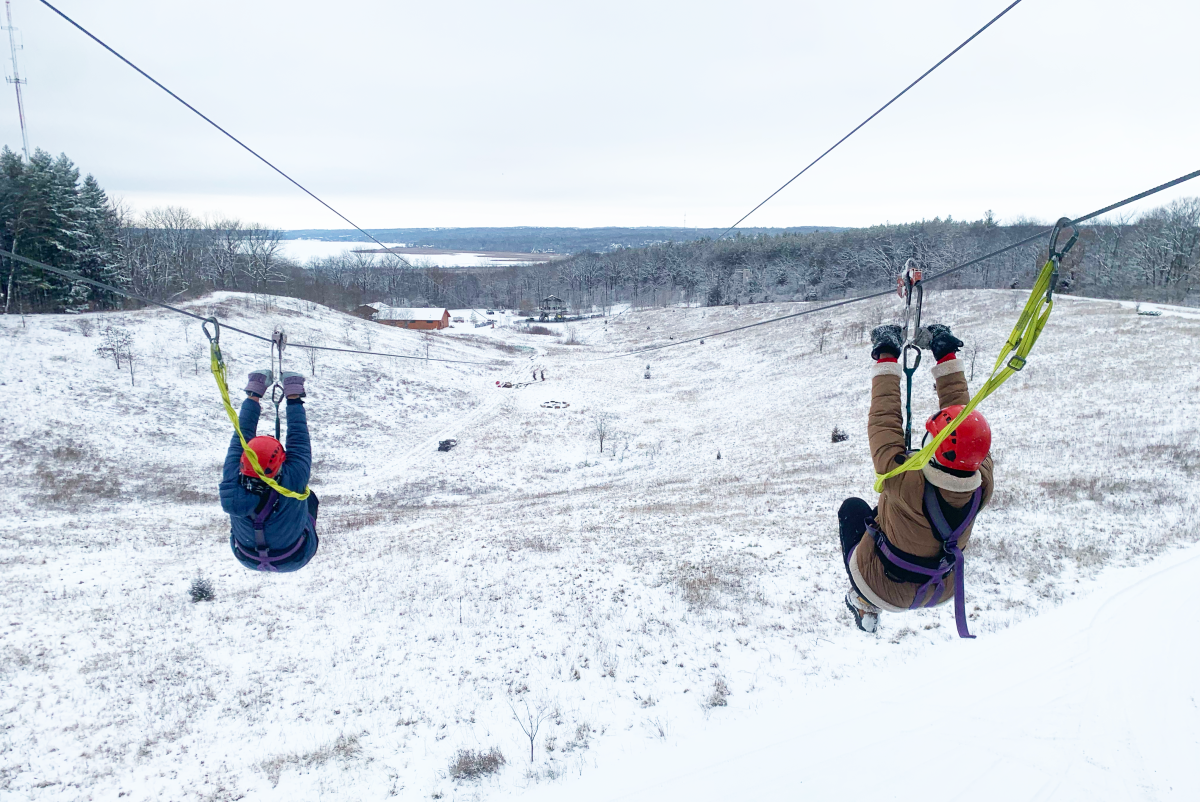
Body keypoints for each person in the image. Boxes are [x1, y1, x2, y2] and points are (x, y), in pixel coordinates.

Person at [840, 324, 994, 635]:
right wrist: (945, 354)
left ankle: (863, 602)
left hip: (883, 587)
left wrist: (886, 354)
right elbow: (963, 416)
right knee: (887, 513)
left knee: (853, 510)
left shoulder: (903, 480)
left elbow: (884, 420)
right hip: (940, 586)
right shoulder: (982, 481)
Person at [219, 369, 320, 572]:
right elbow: (297, 436)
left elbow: (242, 432)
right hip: (294, 557)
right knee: (310, 499)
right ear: (280, 462)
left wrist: (262, 393)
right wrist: (260, 393)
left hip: (247, 556)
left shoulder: (233, 476)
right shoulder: (293, 479)